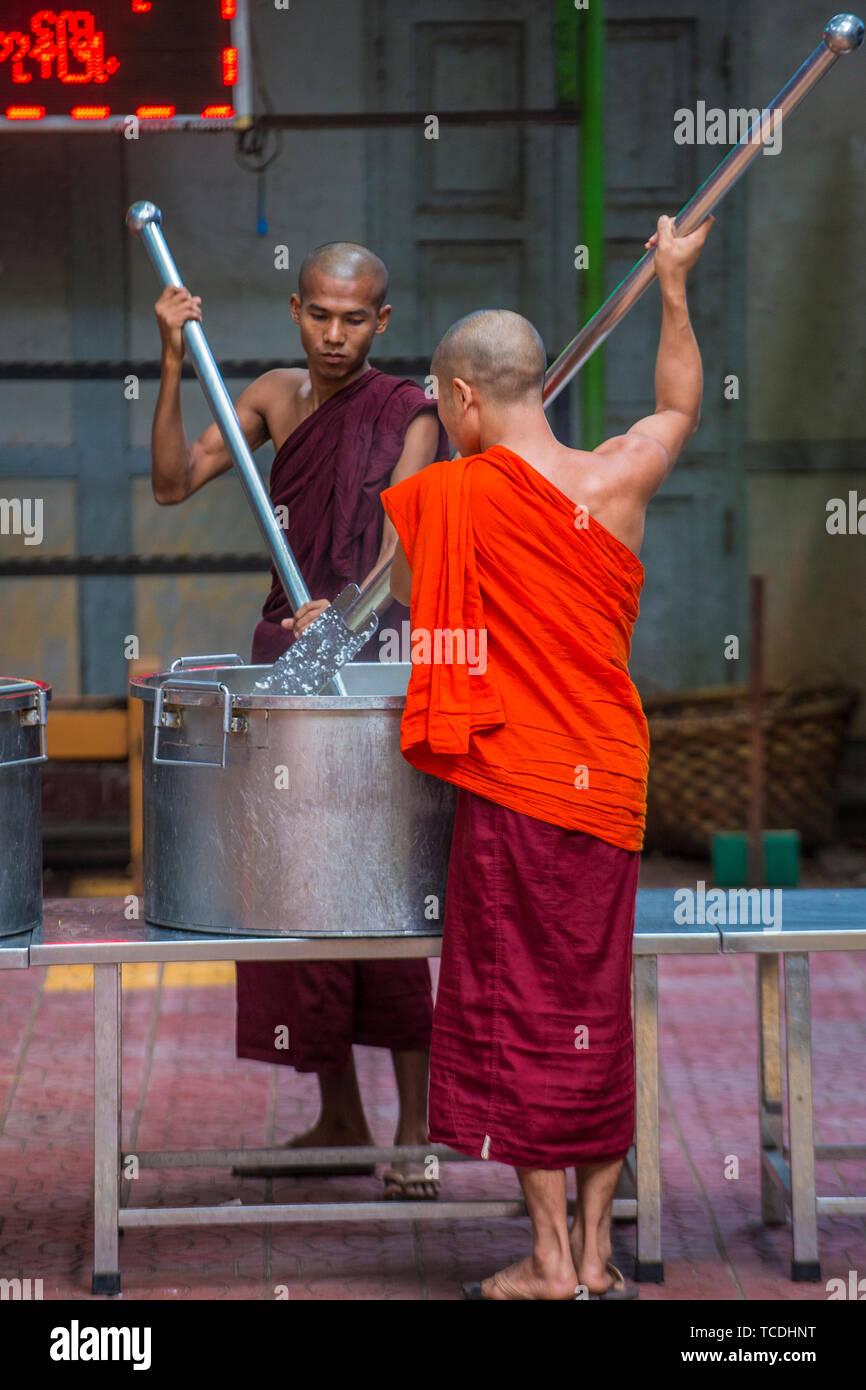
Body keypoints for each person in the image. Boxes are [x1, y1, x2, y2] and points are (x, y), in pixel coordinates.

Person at [380, 213, 714, 1293]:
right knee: (588, 1008)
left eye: (442, 399)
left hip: (514, 790)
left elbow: (393, 589)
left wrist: (427, 448)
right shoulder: (616, 478)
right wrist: (669, 286)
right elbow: (675, 404)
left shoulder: (451, 496)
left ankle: (546, 1255)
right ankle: (600, 1246)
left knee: (509, 1004)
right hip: (606, 785)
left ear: (465, 399)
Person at [150, 242, 447, 1198]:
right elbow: (168, 483)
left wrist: (345, 613)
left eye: (354, 318)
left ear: (383, 322)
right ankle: (339, 1118)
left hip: (369, 665)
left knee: (382, 891)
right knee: (289, 893)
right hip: (284, 660)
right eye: (320, 313)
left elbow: (405, 557)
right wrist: (168, 361)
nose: (334, 333)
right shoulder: (274, 397)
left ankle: (417, 1132)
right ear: (294, 308)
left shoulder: (415, 415)